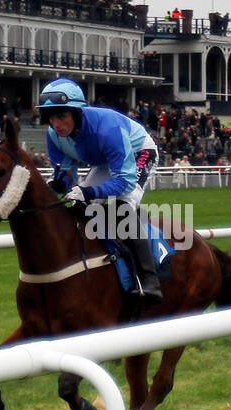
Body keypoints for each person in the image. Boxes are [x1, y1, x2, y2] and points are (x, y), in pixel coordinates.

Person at [36, 77, 164, 303]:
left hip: (139, 153)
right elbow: (66, 175)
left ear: (77, 113)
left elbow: (124, 182)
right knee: (77, 206)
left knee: (121, 209)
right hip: (106, 160)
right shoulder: (53, 135)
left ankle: (149, 281)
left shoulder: (107, 128)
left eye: (62, 116)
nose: (56, 124)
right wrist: (58, 185)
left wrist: (88, 192)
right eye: (51, 117)